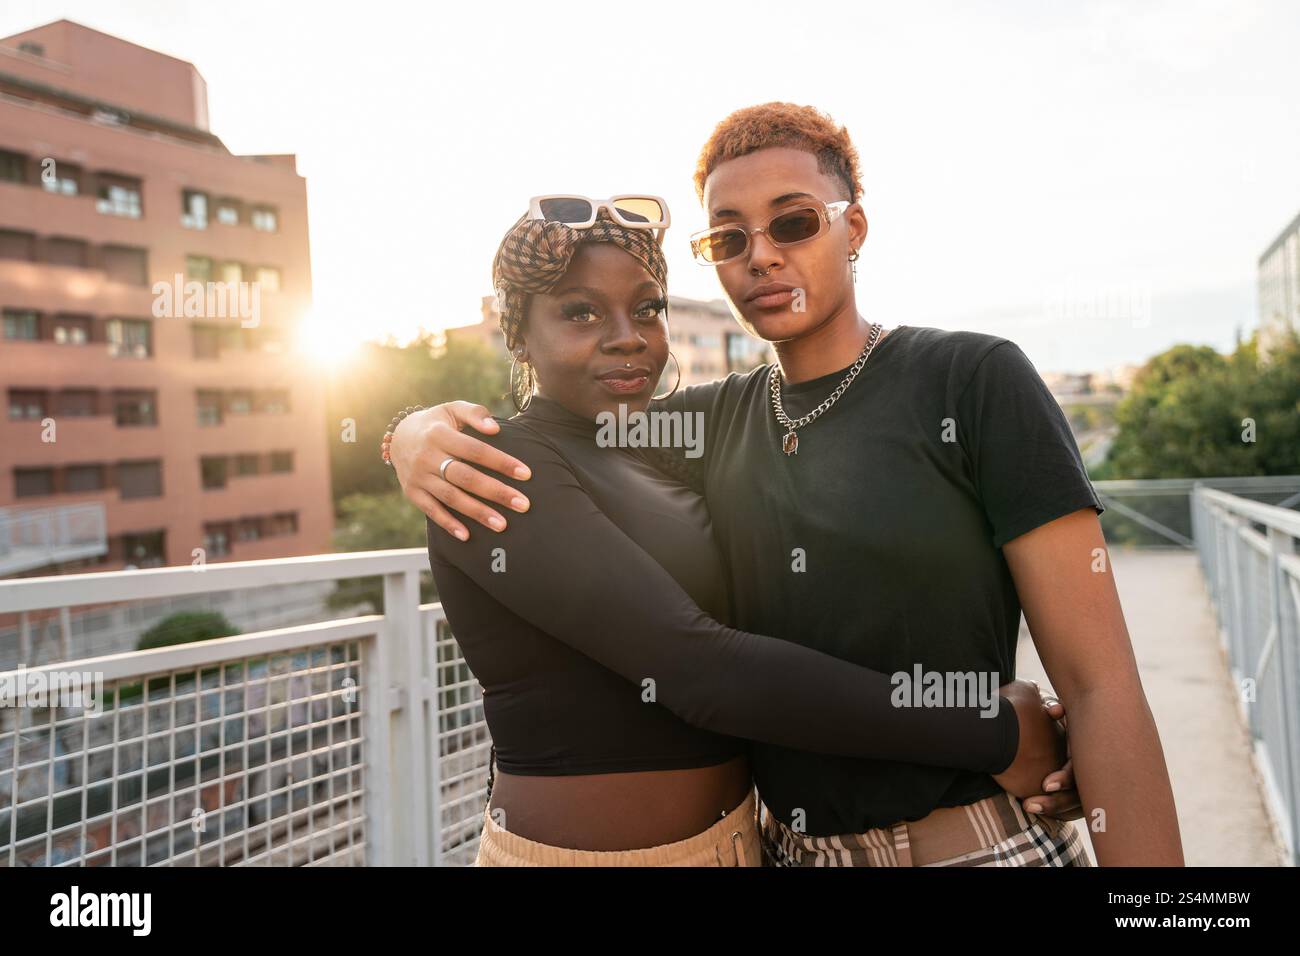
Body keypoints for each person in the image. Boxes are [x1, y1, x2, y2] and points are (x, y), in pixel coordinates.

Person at [416, 198, 1073, 867]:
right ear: (518, 333)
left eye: (647, 309)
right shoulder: (495, 465)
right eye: (580, 312)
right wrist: (992, 732)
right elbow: (701, 670)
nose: (628, 336)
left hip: (741, 846)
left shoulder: (653, 444)